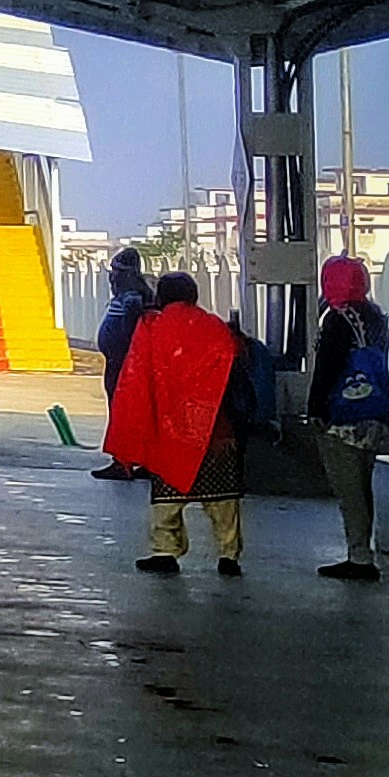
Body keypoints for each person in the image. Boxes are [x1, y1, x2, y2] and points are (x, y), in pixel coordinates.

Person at [104, 274, 254, 576]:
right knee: (222, 499)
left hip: (170, 429)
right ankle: (228, 555)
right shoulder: (215, 326)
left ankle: (165, 551)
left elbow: (137, 377)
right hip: (214, 427)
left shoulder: (153, 328)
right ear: (193, 294)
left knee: (166, 500)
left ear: (162, 296)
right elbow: (237, 367)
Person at [303, 253, 389, 582]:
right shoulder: (376, 316)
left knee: (349, 490)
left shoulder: (337, 319)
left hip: (342, 418)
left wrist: (315, 410)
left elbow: (327, 369)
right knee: (363, 486)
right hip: (374, 413)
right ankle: (362, 549)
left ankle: (359, 557)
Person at [91, 247, 154, 479]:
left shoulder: (132, 298)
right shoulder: (126, 296)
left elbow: (131, 332)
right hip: (118, 363)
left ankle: (123, 461)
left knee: (122, 413)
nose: (111, 277)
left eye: (115, 272)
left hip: (124, 366)